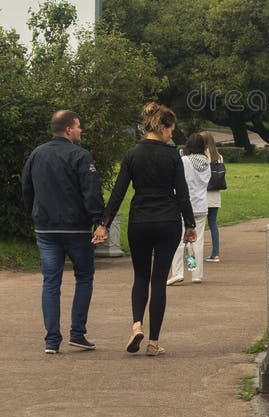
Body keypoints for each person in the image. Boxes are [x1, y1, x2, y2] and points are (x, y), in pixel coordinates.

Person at [95, 103, 196, 356]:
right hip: (168, 221)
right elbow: (182, 194)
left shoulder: (132, 154)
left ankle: (136, 324)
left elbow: (118, 192)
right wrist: (191, 224)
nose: (172, 135)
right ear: (162, 127)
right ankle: (153, 342)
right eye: (171, 130)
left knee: (140, 277)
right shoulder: (172, 155)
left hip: (140, 220)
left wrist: (103, 224)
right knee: (159, 280)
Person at [22, 109, 106, 354]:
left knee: (50, 282)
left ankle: (51, 340)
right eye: (79, 126)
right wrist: (98, 220)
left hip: (46, 227)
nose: (81, 130)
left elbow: (27, 188)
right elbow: (91, 191)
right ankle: (77, 333)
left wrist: (35, 212)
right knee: (84, 277)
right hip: (76, 228)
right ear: (68, 129)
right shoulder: (80, 156)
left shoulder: (36, 154)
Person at [167, 132, 210, 285]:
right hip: (202, 205)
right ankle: (196, 274)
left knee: (178, 240)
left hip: (185, 205)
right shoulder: (206, 161)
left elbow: (178, 180)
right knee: (197, 242)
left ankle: (178, 272)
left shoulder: (185, 160)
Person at [202, 130, 224, 262]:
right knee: (213, 223)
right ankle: (215, 253)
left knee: (197, 227)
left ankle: (192, 258)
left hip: (202, 195)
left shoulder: (202, 156)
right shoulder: (219, 157)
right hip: (215, 194)